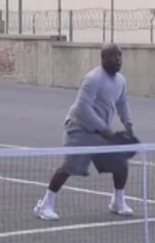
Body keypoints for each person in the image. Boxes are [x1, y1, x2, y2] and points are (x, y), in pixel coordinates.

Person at [34, 43, 135, 221]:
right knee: (70, 166)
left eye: (120, 55)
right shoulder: (93, 79)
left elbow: (122, 102)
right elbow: (83, 109)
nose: (118, 59)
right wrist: (105, 130)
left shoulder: (121, 80)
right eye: (113, 56)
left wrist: (127, 123)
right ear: (103, 58)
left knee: (120, 162)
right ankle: (45, 205)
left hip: (102, 130)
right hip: (79, 128)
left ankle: (117, 202)